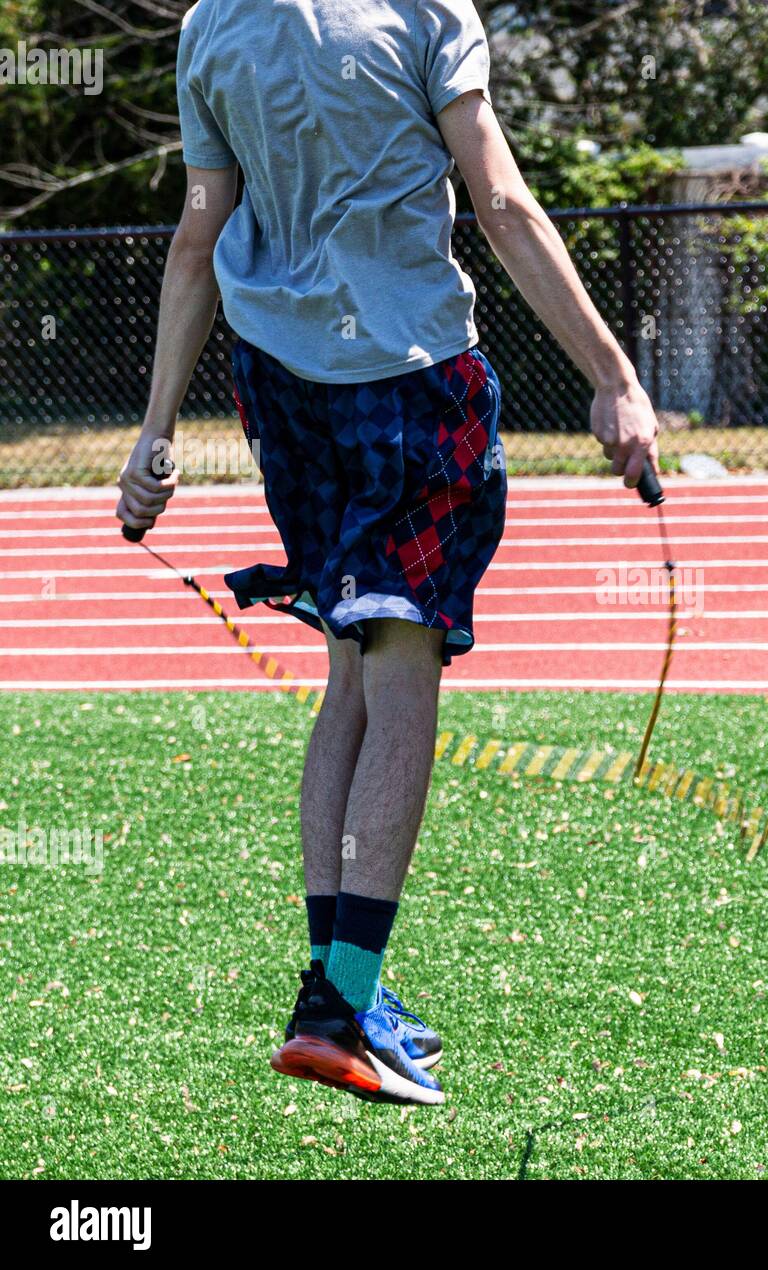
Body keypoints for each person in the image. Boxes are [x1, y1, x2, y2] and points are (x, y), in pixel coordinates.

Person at [115, 0, 659, 1106]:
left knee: (347, 672)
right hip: (410, 376)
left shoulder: (212, 22)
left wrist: (156, 430)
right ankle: (341, 1004)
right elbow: (501, 204)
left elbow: (199, 233)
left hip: (277, 382)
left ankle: (341, 989)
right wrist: (611, 376)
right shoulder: (424, 10)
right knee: (400, 663)